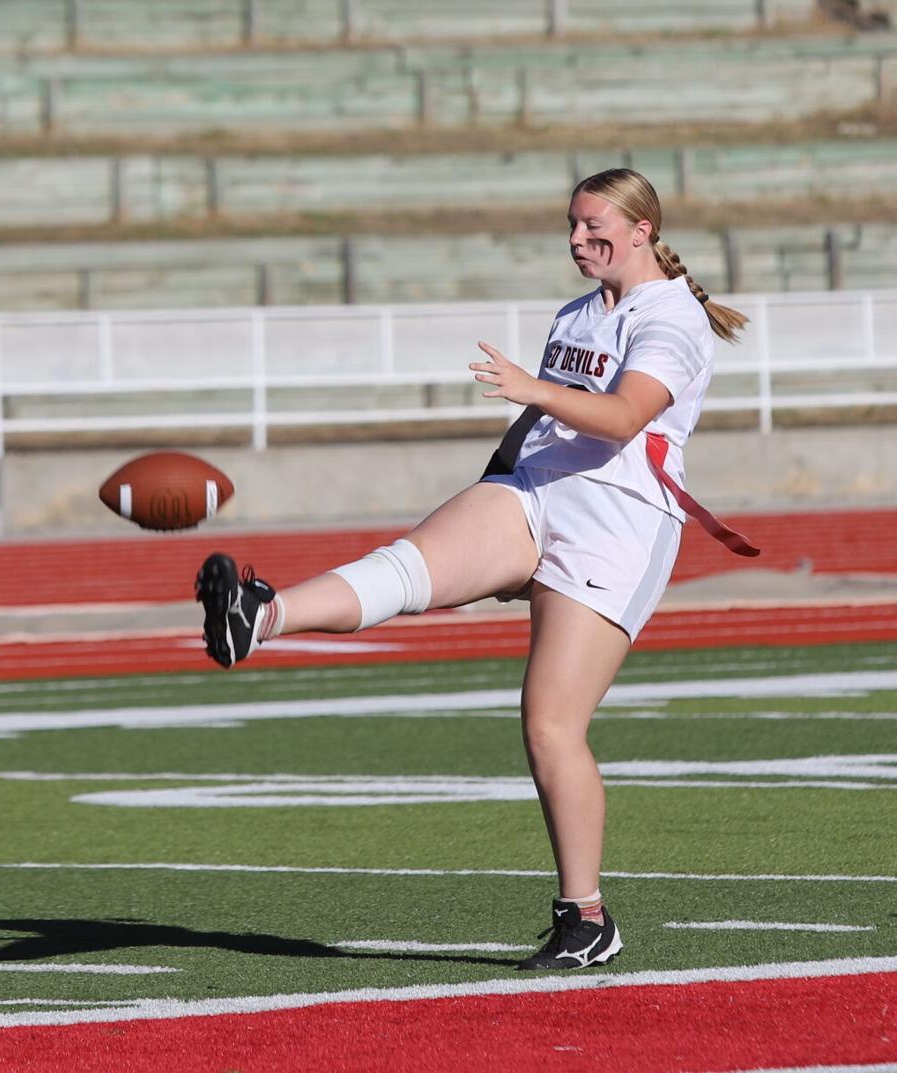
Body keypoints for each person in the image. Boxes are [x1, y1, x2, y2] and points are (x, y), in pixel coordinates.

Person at [195, 169, 756, 971]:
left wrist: (534, 392)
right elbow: (545, 411)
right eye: (571, 225)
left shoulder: (671, 317)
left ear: (641, 230)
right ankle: (260, 614)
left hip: (616, 525)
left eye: (595, 227)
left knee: (549, 724)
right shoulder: (577, 312)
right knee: (407, 567)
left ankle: (586, 918)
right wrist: (495, 477)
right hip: (534, 488)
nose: (576, 240)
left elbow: (625, 413)